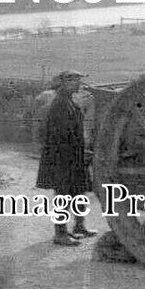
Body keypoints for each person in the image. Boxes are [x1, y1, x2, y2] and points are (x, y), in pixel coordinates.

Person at [38, 70, 98, 246]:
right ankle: (60, 233)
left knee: (79, 191)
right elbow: (62, 135)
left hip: (73, 155)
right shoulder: (59, 104)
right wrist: (77, 151)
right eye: (75, 81)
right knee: (63, 195)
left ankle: (79, 226)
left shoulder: (69, 101)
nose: (79, 84)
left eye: (79, 80)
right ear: (64, 83)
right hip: (62, 158)